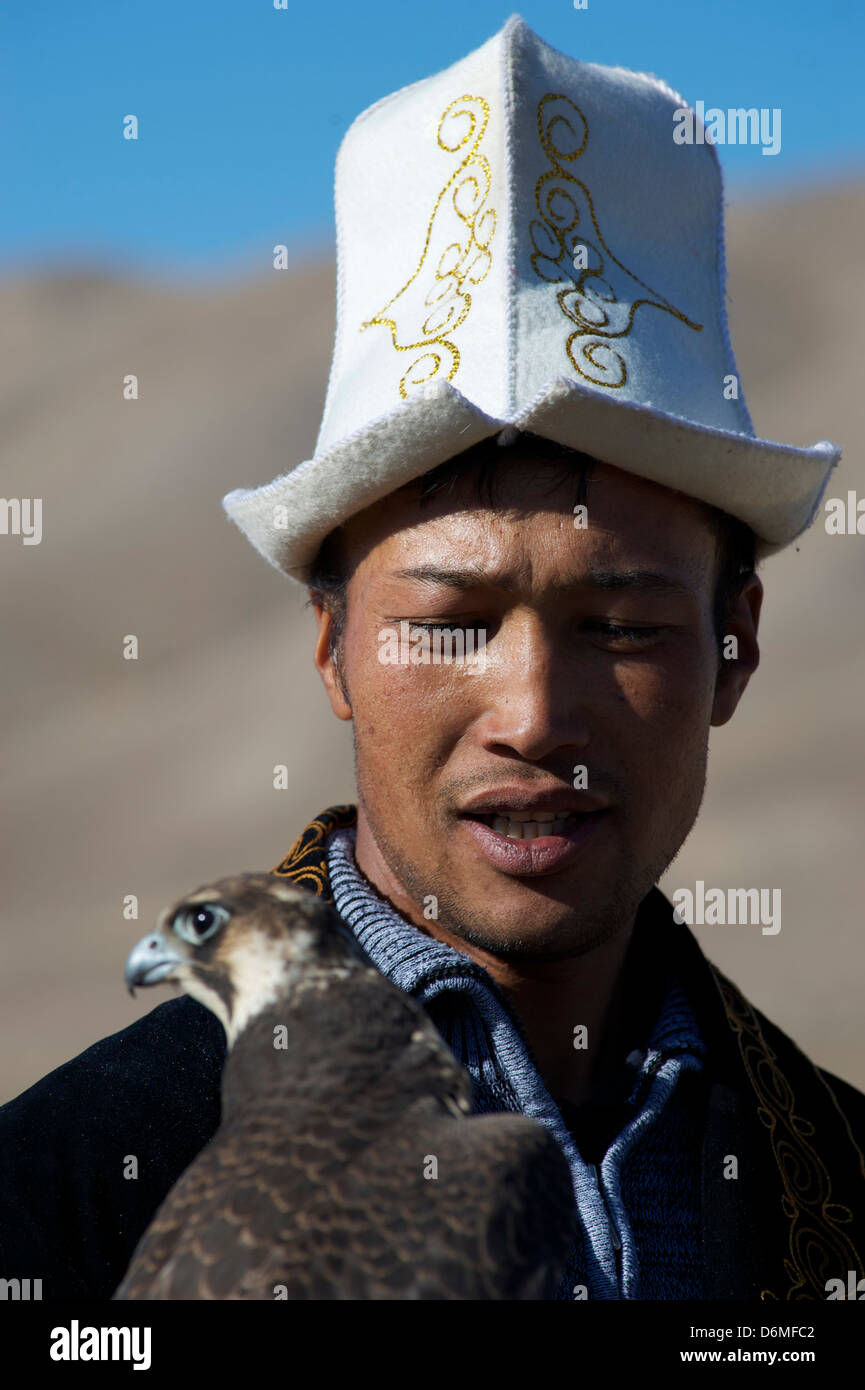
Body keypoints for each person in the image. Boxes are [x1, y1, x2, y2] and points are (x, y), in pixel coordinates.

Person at [1, 15, 862, 1301]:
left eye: (622, 627)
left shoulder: (835, 1179)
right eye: (449, 621)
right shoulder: (62, 1188)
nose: (533, 714)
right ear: (333, 648)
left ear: (733, 648)